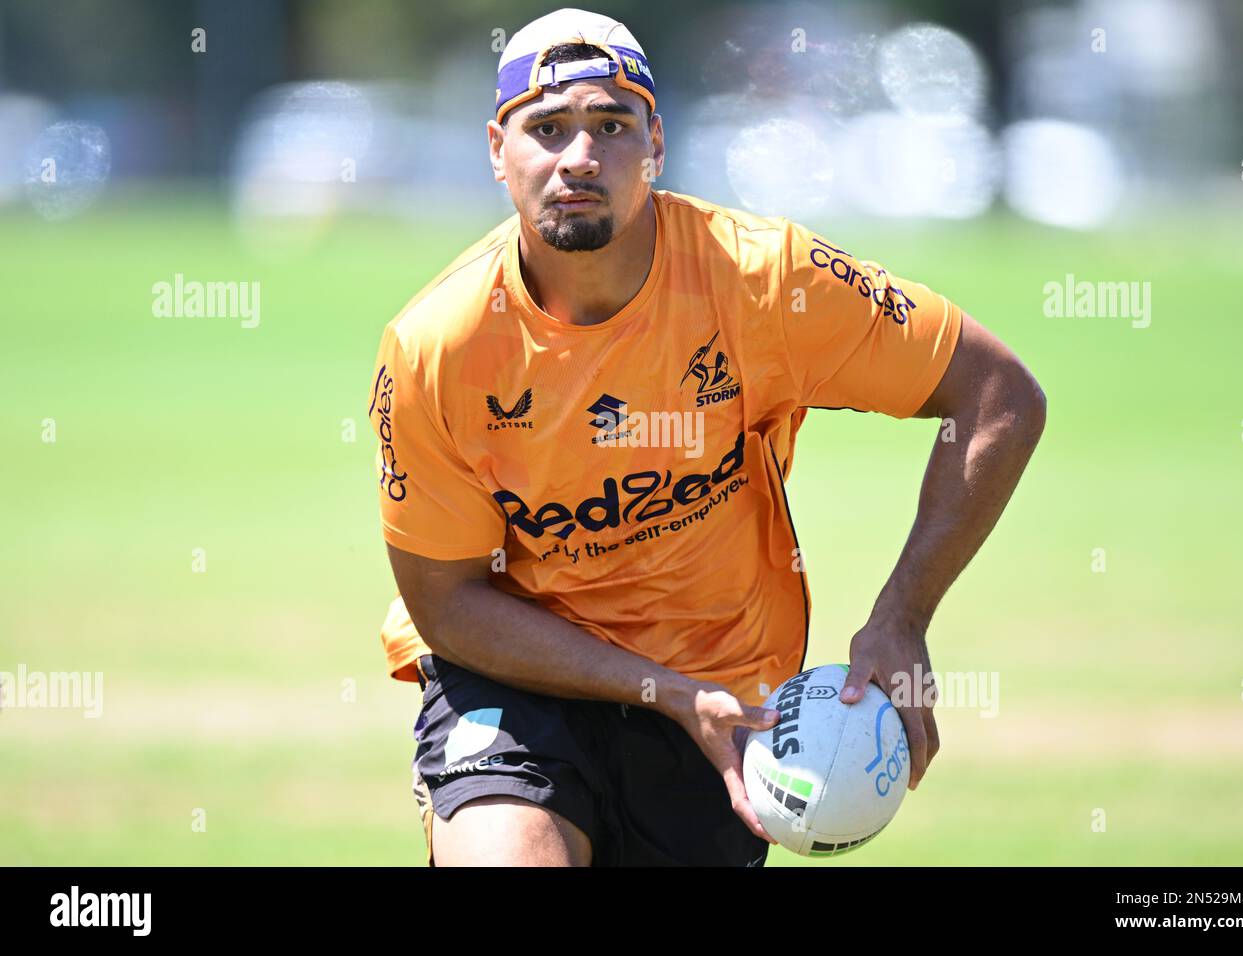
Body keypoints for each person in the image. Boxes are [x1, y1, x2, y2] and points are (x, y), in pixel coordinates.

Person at [367, 7, 1046, 866]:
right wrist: (660, 691)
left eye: (612, 125)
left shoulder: (766, 280)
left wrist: (902, 619)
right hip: (517, 673)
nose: (580, 156)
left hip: (724, 700)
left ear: (656, 142)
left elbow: (999, 395)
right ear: (498, 152)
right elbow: (447, 602)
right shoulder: (437, 347)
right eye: (547, 128)